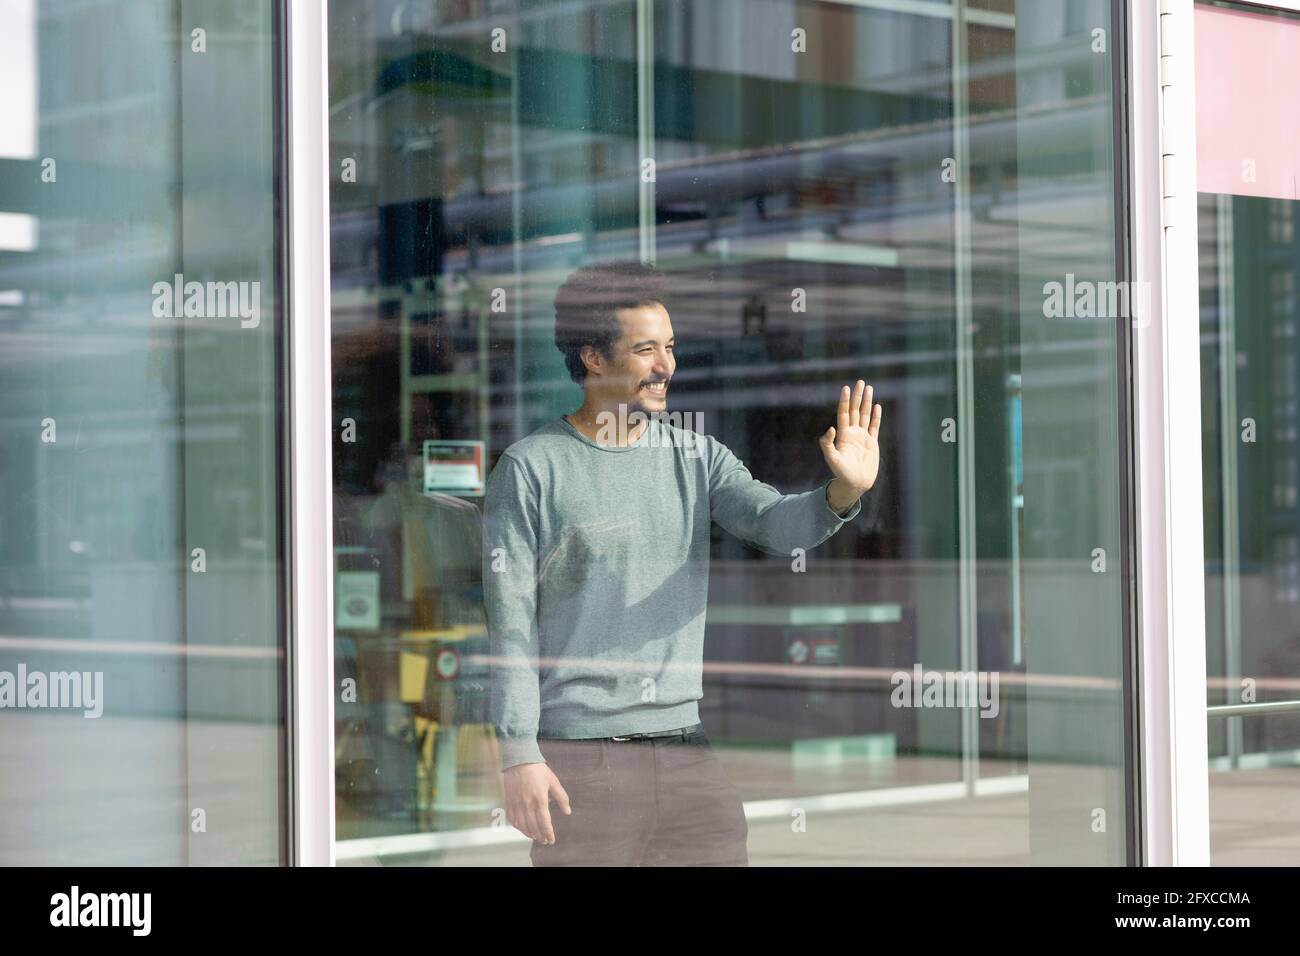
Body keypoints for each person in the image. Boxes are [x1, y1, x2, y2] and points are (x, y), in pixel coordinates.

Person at [482, 261, 883, 865]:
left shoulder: (698, 456)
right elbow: (510, 624)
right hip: (582, 759)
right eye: (646, 349)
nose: (667, 366)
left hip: (685, 751)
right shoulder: (532, 468)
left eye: (669, 347)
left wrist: (842, 495)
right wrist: (519, 753)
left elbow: (775, 524)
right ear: (593, 358)